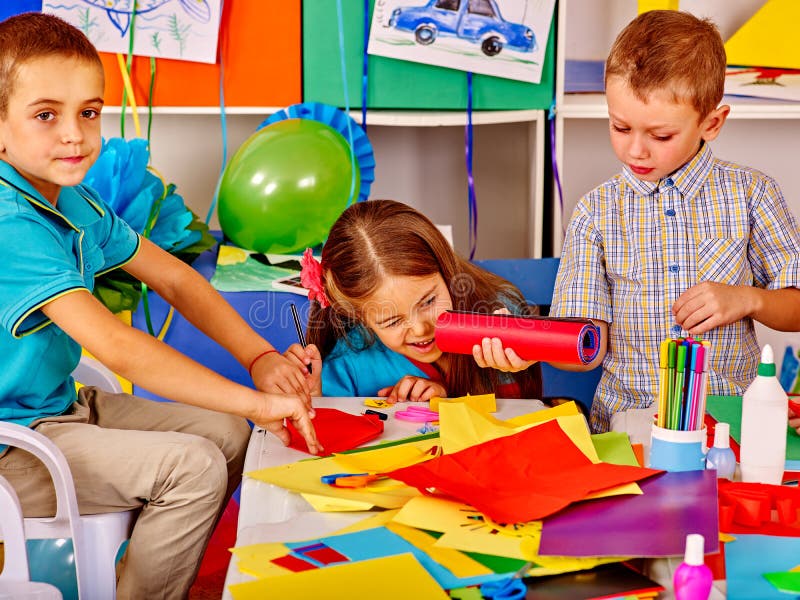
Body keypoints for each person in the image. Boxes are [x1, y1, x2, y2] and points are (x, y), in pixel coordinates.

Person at [0, 12, 319, 599]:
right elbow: (121, 347)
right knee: (192, 469)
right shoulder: (10, 222)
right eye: (46, 115)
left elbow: (174, 279)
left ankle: (138, 577)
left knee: (227, 433)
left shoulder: (67, 197)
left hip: (57, 410)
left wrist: (257, 358)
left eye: (88, 113)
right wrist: (260, 400)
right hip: (11, 446)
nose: (74, 134)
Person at [549, 10, 800, 433]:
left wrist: (748, 298)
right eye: (620, 127)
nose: (636, 151)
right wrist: (528, 348)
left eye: (660, 135)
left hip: (728, 426)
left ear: (712, 123)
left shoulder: (753, 194)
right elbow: (584, 348)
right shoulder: (596, 211)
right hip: (628, 427)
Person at [285, 199, 546, 404]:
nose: (421, 329)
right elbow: (323, 435)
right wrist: (313, 398)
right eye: (392, 320)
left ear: (446, 270)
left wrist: (446, 401)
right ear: (359, 317)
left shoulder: (498, 314)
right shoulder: (350, 361)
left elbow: (515, 420)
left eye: (428, 301)